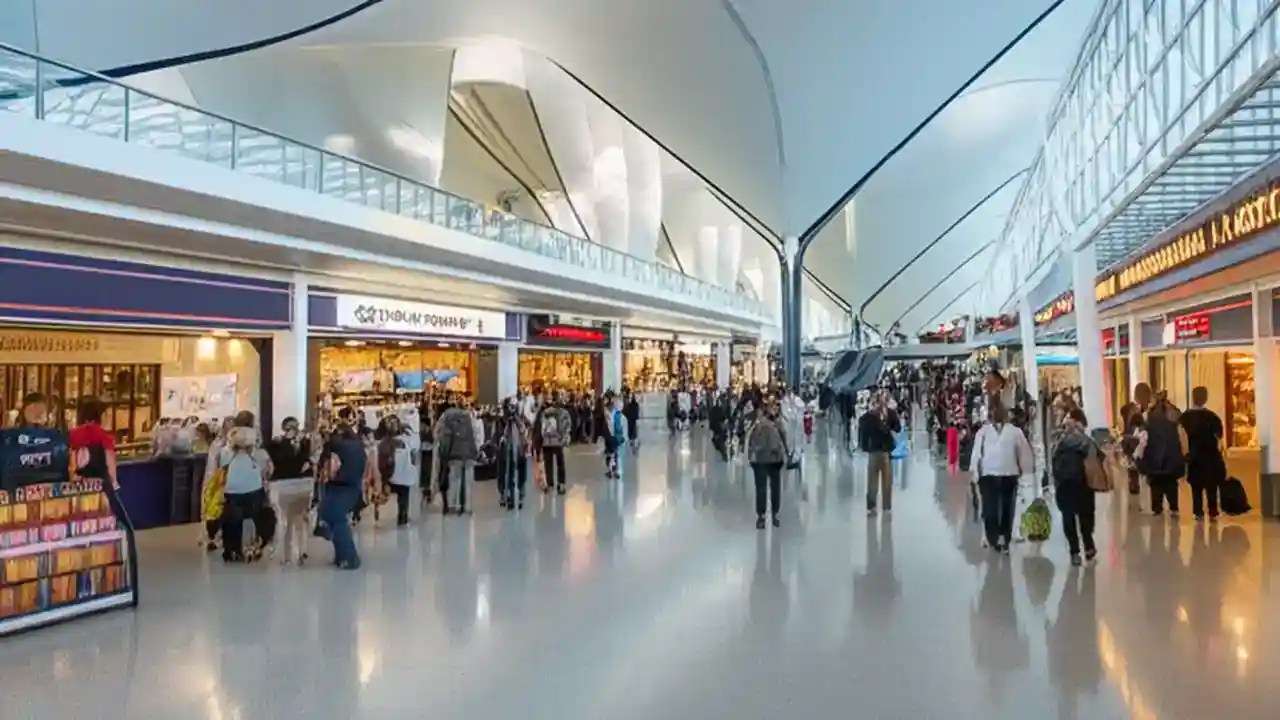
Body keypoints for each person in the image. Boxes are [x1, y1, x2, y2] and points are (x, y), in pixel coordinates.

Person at [971, 400, 1033, 554]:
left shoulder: (1014, 432)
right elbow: (976, 453)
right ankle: (993, 537)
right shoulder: (983, 432)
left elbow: (1023, 451)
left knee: (1007, 508)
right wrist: (975, 472)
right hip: (988, 475)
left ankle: (1004, 538)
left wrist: (1026, 471)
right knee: (990, 509)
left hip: (1009, 474)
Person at [218, 411, 273, 563]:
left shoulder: (226, 449)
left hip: (232, 488)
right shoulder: (257, 449)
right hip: (253, 486)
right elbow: (267, 468)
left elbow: (222, 464)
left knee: (232, 520)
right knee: (255, 517)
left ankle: (232, 549)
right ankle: (252, 547)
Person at [1051, 409, 1100, 566]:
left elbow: (1053, 462)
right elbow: (1095, 459)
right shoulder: (1086, 441)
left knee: (1068, 517)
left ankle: (1074, 552)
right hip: (1083, 484)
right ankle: (1089, 547)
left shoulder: (1059, 442)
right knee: (1086, 516)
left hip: (1064, 484)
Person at [265, 416, 314, 563]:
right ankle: (301, 552)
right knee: (299, 520)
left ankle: (284, 555)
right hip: (302, 484)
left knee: (284, 521)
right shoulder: (305, 442)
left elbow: (270, 458)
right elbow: (307, 460)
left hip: (282, 485)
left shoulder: (276, 444)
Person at [319, 423, 364, 569]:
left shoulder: (336, 445)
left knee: (337, 522)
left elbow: (326, 464)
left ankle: (349, 558)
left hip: (337, 485)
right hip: (353, 486)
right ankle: (342, 557)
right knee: (338, 521)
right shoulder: (359, 446)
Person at [1180, 386, 1226, 522]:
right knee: (1212, 484)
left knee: (1196, 485)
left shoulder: (1185, 417)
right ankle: (1213, 510)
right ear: (1205, 398)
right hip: (1211, 455)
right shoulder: (1212, 417)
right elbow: (1219, 435)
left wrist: (1185, 454)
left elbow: (1181, 436)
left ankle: (1198, 511)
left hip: (1194, 455)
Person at [1139, 392, 1186, 517]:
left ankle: (1157, 507)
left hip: (1154, 454)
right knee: (1171, 483)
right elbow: (1180, 423)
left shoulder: (1149, 414)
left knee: (1156, 483)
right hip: (1171, 454)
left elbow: (1143, 435)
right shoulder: (1172, 412)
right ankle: (1174, 507)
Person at [747, 397, 789, 529]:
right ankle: (762, 515)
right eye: (772, 406)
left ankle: (774, 514)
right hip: (760, 460)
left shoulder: (780, 423)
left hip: (775, 460)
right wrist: (750, 455)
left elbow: (785, 439)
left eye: (776, 406)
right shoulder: (759, 422)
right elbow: (751, 439)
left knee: (775, 488)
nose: (774, 409)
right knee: (762, 489)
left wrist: (788, 454)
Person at [858, 392, 901, 517]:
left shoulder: (874, 415)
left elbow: (897, 428)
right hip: (881, 451)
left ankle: (877, 507)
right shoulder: (879, 415)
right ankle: (881, 507)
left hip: (879, 451)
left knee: (878, 481)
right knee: (881, 481)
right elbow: (897, 428)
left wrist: (864, 446)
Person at [436, 397, 479, 514]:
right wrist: (477, 450)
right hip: (469, 452)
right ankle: (467, 506)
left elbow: (441, 435)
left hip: (454, 453)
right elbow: (477, 434)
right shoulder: (470, 417)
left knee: (455, 479)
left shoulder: (446, 417)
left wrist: (444, 452)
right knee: (468, 481)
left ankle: (453, 505)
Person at [377, 415, 417, 526]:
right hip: (404, 475)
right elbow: (414, 451)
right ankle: (403, 516)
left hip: (391, 475)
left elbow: (382, 461)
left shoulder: (384, 443)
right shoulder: (406, 440)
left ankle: (379, 511)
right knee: (404, 495)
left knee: (394, 493)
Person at [534, 395, 572, 495]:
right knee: (560, 463)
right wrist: (565, 438)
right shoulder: (563, 412)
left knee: (548, 463)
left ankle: (550, 483)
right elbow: (567, 425)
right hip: (558, 441)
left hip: (546, 441)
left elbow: (538, 428)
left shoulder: (544, 413)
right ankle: (561, 483)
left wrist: (538, 444)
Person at [497, 400, 530, 509]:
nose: (510, 410)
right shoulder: (502, 421)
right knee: (506, 473)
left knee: (521, 474)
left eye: (513, 407)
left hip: (520, 451)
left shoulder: (520, 420)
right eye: (508, 407)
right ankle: (507, 495)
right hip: (506, 452)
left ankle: (520, 496)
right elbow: (498, 435)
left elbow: (526, 429)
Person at [603, 393, 627, 479]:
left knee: (612, 454)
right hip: (616, 437)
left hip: (613, 437)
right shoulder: (619, 416)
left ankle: (612, 470)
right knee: (615, 454)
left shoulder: (612, 414)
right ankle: (615, 470)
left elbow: (610, 425)